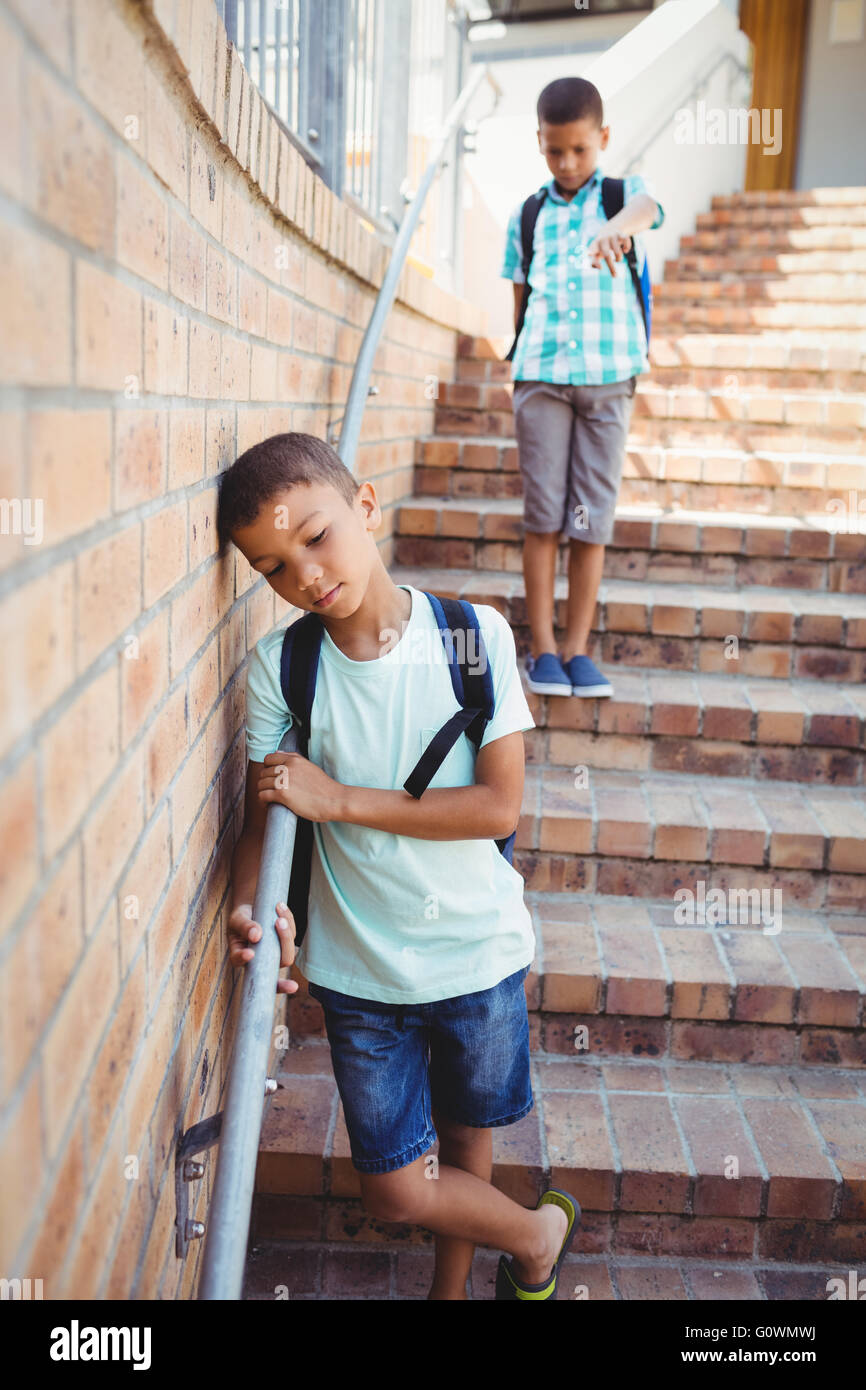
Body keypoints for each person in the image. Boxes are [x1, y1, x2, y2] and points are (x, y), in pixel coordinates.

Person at [216, 432, 580, 1300]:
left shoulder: (471, 636)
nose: (303, 574)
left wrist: (337, 799)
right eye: (271, 568)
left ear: (366, 507)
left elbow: (498, 808)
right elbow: (266, 812)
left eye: (315, 536)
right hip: (359, 969)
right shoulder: (285, 667)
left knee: (466, 1143)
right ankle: (538, 1234)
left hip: (475, 953)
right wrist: (248, 906)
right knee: (394, 1185)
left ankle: (449, 1295)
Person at [501, 75, 665, 698]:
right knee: (544, 516)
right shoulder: (529, 214)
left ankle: (577, 650)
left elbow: (650, 210)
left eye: (580, 150)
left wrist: (613, 225)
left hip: (607, 381)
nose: (567, 163)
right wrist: (515, 365)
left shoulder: (624, 196)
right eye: (553, 150)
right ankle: (542, 649)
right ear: (539, 143)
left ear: (602, 139)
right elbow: (519, 297)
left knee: (589, 518)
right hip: (541, 379)